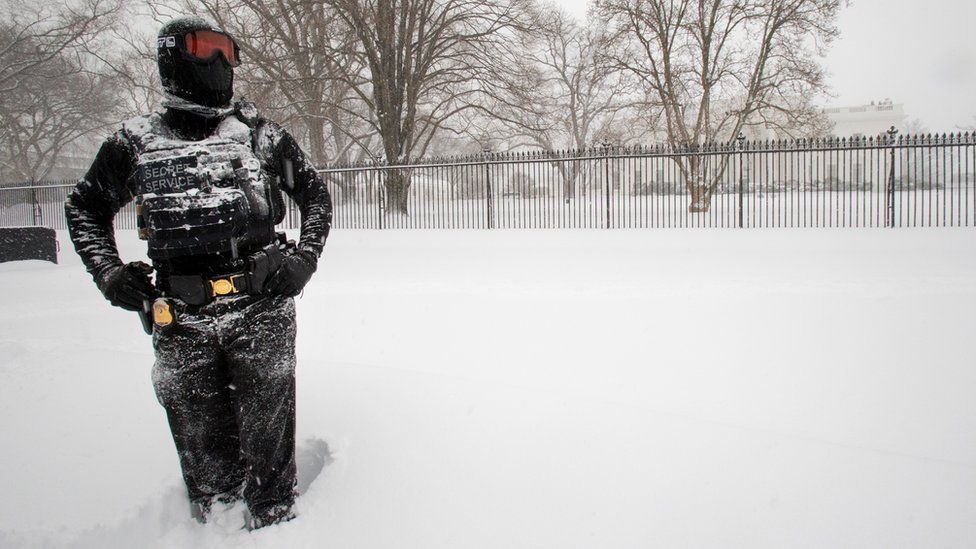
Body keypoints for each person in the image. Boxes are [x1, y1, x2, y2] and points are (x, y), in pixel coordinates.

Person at [64, 15, 332, 530]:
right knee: (202, 442)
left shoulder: (260, 137)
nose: (217, 63)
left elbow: (315, 195)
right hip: (180, 319)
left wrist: (304, 260)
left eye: (225, 51)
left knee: (268, 436)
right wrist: (109, 273)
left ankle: (277, 523)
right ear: (173, 57)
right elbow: (85, 209)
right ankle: (216, 526)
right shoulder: (134, 143)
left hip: (260, 308)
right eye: (203, 49)